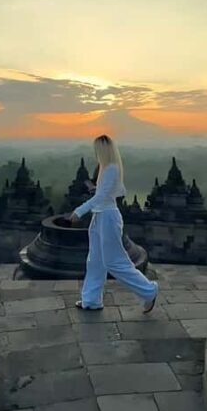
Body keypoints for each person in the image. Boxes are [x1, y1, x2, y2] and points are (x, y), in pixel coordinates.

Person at [66, 134, 158, 313]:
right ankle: (91, 300)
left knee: (114, 262)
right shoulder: (104, 168)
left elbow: (101, 197)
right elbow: (102, 194)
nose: (95, 153)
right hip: (99, 217)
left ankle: (149, 291)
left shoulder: (112, 169)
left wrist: (79, 211)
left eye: (97, 149)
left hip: (108, 217)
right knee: (95, 261)